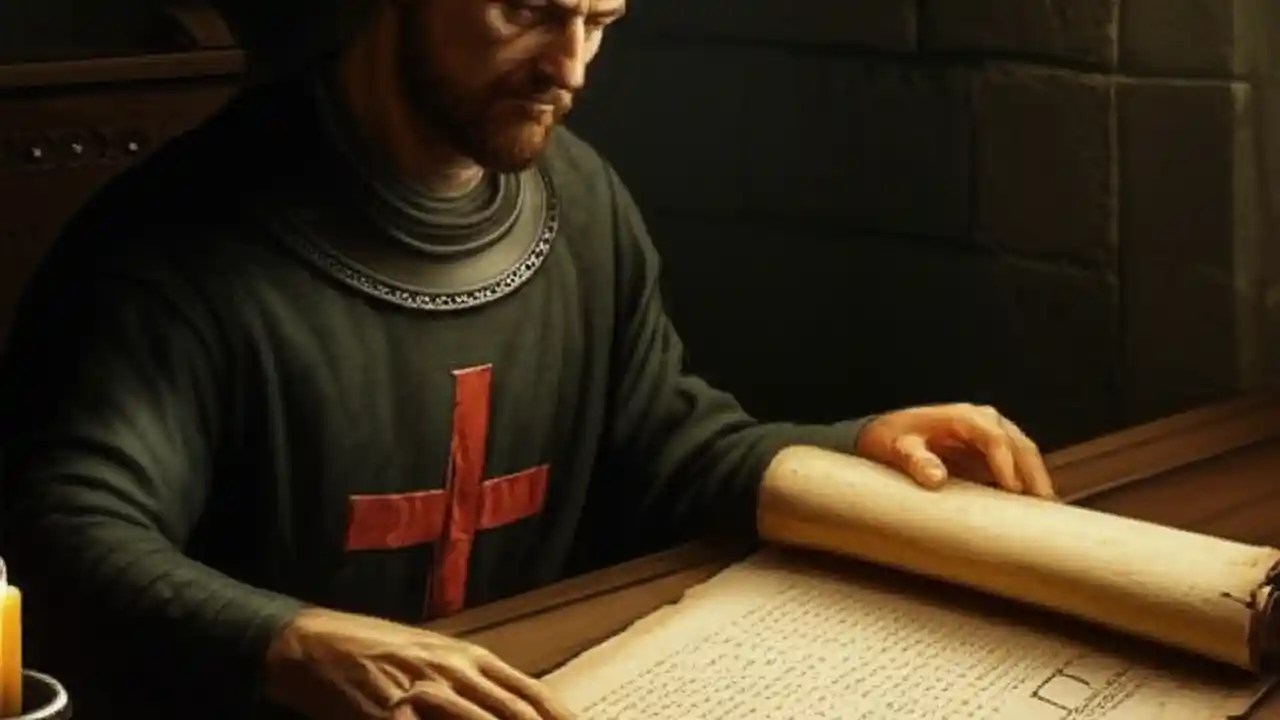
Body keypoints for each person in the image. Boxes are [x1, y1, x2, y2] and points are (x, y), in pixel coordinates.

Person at [0, 0, 1057, 718]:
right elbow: (66, 538)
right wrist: (300, 643)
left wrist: (854, 449)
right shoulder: (177, 243)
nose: (570, 68)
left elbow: (659, 440)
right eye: (527, 9)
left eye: (599, 19)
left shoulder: (582, 200)